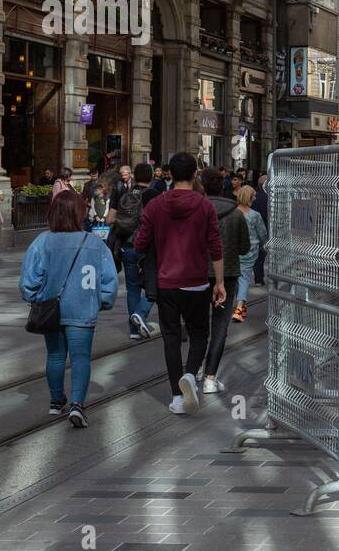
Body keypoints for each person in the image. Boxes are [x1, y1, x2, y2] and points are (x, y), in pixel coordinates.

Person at [133, 152, 225, 416]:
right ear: (196, 175)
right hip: (196, 281)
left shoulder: (154, 205)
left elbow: (140, 243)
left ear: (169, 175)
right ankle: (189, 373)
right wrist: (219, 282)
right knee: (199, 334)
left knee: (171, 338)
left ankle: (176, 396)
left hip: (166, 283)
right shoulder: (205, 206)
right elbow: (215, 247)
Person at [20, 191, 116, 428]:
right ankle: (76, 404)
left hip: (51, 308)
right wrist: (102, 301)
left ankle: (55, 400)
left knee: (55, 355)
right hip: (83, 307)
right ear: (79, 213)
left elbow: (29, 280)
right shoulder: (94, 243)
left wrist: (34, 297)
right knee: (81, 357)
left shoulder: (42, 241)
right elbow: (109, 280)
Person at [199, 167, 248, 393]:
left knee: (198, 325)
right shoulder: (236, 213)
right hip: (227, 274)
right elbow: (244, 247)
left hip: (198, 274)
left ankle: (196, 367)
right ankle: (210, 377)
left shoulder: (197, 211)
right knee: (220, 326)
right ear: (224, 186)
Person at [117, 163, 161, 340]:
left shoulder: (125, 195)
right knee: (154, 285)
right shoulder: (155, 196)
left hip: (127, 246)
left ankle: (134, 330)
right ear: (151, 177)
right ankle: (140, 314)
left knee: (132, 288)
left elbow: (113, 218)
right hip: (148, 248)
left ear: (135, 176)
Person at [232, 184, 266, 324]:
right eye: (254, 195)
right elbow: (262, 233)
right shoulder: (254, 215)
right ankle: (239, 308)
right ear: (250, 197)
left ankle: (241, 305)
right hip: (250, 251)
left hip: (233, 251)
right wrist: (265, 245)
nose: (256, 197)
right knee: (244, 278)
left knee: (237, 278)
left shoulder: (232, 213)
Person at [251, 173, 269, 287]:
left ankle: (258, 279)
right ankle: (274, 279)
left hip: (258, 230)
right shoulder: (272, 197)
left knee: (259, 256)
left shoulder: (255, 197)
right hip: (270, 229)